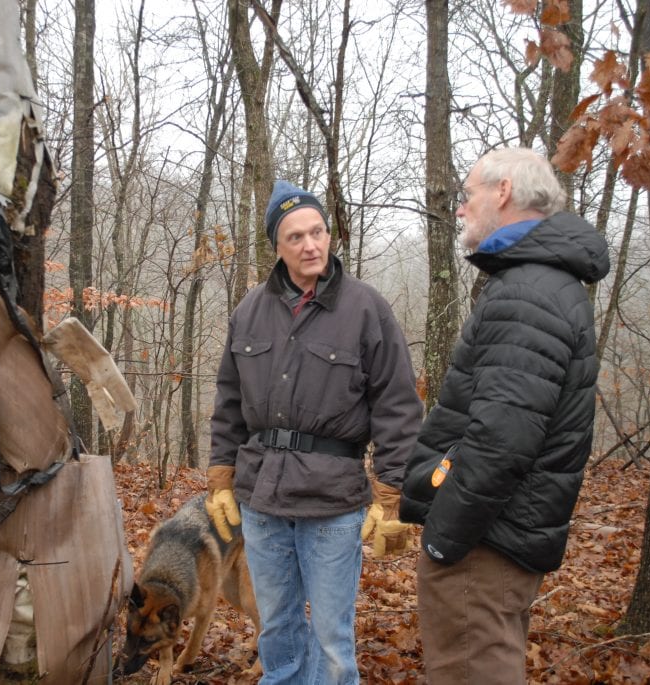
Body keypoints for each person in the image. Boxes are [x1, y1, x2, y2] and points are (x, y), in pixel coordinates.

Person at [398, 146, 610, 684]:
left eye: (468, 195)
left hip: (484, 546)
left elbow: (501, 441)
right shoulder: (540, 282)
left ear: (504, 192)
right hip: (499, 539)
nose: (462, 210)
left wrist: (444, 539)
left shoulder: (529, 291)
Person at [205, 179, 423, 684]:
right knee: (276, 628)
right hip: (262, 500)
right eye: (296, 237)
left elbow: (397, 405)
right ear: (277, 248)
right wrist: (220, 476)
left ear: (329, 235)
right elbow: (229, 402)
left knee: (331, 638)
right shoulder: (250, 311)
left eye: (318, 231)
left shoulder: (366, 308)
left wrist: (391, 492)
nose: (311, 244)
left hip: (333, 503)